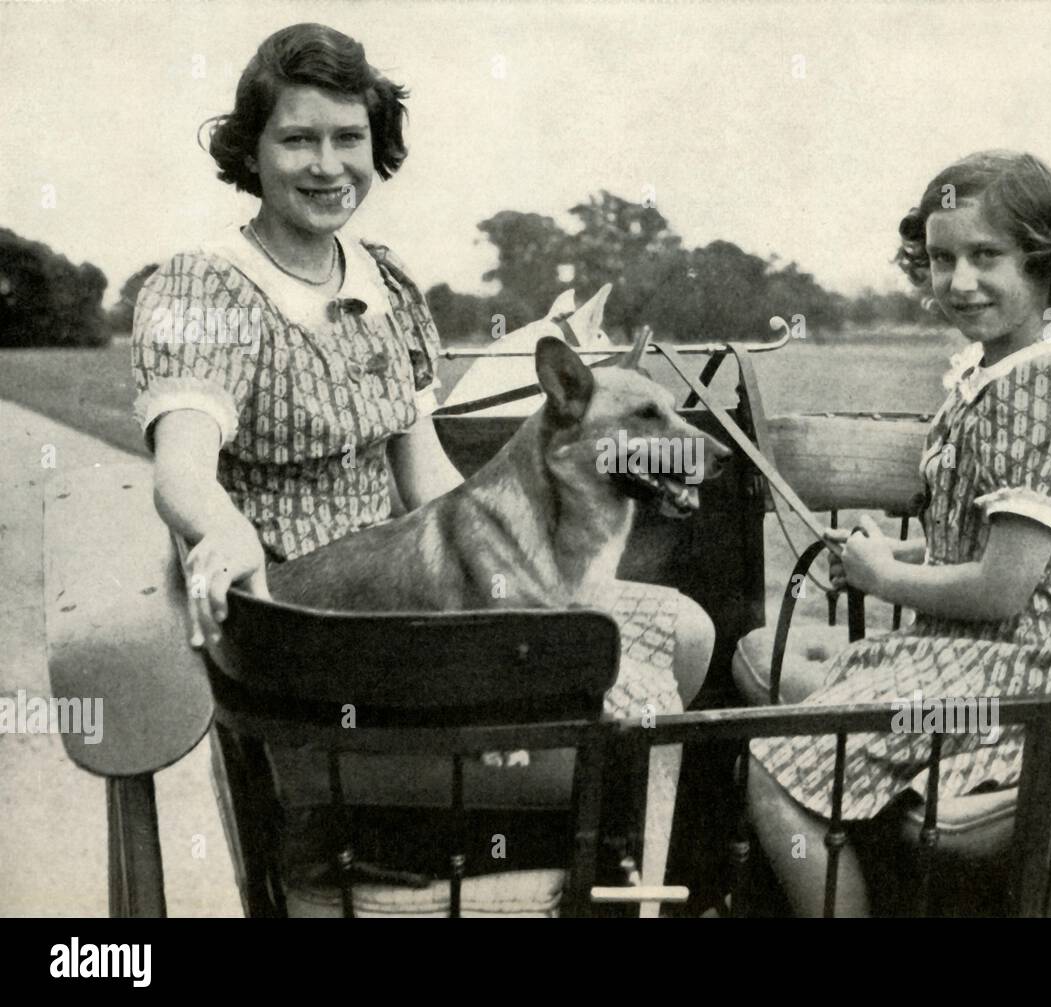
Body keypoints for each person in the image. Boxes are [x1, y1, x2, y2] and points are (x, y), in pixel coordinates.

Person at [132, 23, 714, 854]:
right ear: (250, 151)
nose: (327, 165)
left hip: (420, 595)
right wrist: (223, 531)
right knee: (596, 687)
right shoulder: (203, 287)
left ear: (378, 145)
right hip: (308, 626)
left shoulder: (387, 281)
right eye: (297, 138)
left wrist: (526, 568)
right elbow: (180, 471)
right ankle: (480, 845)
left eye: (349, 138)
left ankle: (523, 856)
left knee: (682, 634)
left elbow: (428, 474)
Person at [742, 150, 1051, 916]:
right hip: (979, 653)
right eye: (942, 258)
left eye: (987, 256)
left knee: (772, 769)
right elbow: (979, 548)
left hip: (1036, 675)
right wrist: (898, 557)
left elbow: (1002, 587)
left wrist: (886, 580)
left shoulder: (1045, 386)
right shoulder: (995, 373)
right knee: (792, 688)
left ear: (1043, 263)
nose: (959, 281)